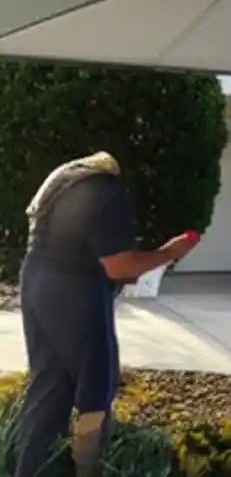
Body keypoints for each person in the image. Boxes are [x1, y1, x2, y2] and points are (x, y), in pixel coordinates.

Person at [16, 152, 200, 477]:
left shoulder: (61, 186)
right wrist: (170, 252)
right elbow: (120, 267)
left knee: (49, 383)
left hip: (36, 281)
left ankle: (33, 469)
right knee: (96, 384)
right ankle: (88, 467)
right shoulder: (107, 192)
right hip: (75, 292)